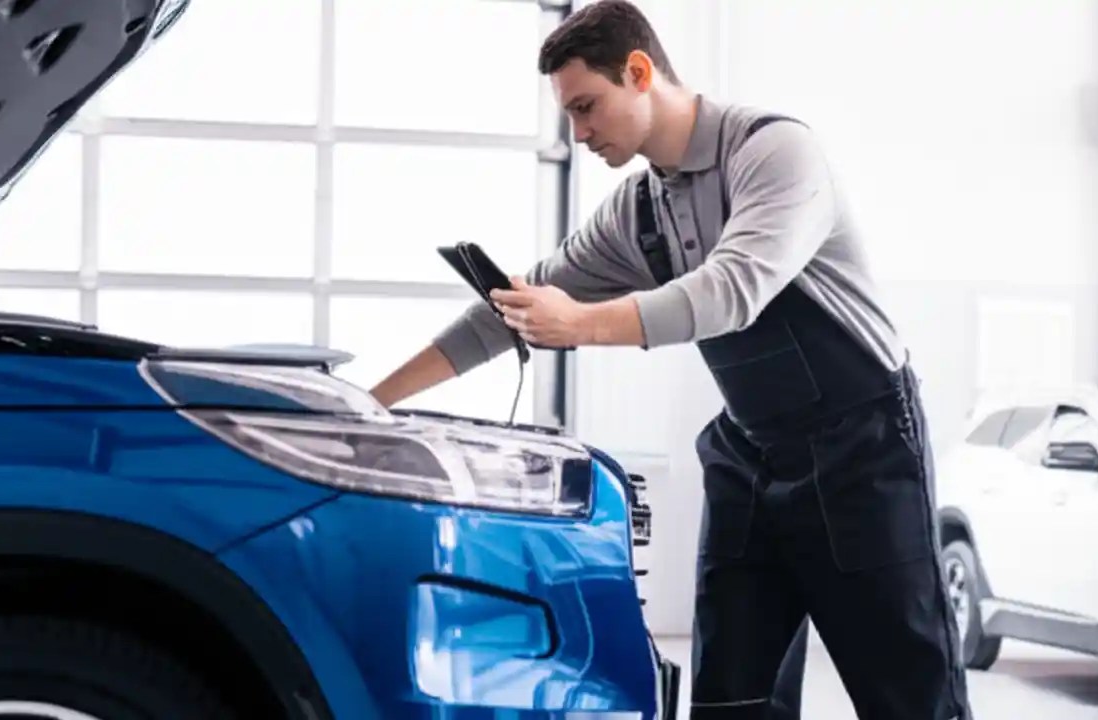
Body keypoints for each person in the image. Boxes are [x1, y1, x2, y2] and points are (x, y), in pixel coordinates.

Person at [369, 1, 973, 718]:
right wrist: (371, 404)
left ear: (640, 71)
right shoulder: (637, 212)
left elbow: (732, 292)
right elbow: (511, 311)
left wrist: (581, 325)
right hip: (750, 458)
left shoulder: (775, 153)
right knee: (731, 698)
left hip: (863, 455)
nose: (580, 132)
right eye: (569, 115)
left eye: (588, 106)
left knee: (909, 694)